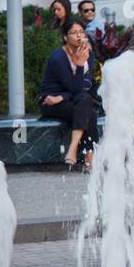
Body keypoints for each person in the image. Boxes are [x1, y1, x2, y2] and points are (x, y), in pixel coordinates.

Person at [39, 17, 100, 171]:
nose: (79, 36)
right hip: (51, 103)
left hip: (71, 100)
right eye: (74, 32)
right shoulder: (57, 58)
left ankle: (74, 149)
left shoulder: (87, 54)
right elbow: (74, 88)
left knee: (86, 105)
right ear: (65, 37)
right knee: (88, 110)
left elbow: (84, 86)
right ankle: (87, 158)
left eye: (81, 32)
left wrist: (62, 96)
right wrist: (79, 65)